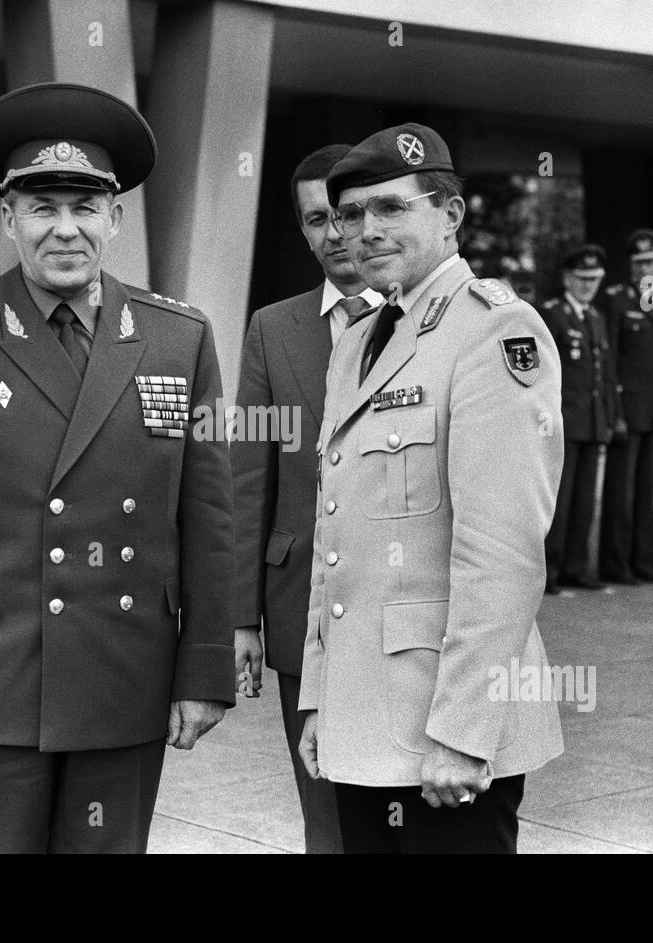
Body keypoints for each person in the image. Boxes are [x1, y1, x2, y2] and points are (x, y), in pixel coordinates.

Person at [0, 82, 235, 853]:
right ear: (9, 218)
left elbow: (208, 516)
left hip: (126, 677)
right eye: (42, 207)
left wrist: (204, 671)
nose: (64, 229)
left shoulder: (180, 339)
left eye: (83, 205)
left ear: (116, 217)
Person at [296, 123, 564, 853]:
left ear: (450, 216)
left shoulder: (496, 331)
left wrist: (462, 733)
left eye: (391, 208)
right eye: (350, 214)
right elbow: (335, 536)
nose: (366, 230)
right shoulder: (358, 338)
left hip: (446, 734)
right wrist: (320, 699)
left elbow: (503, 554)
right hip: (367, 722)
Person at [230, 144, 382, 854]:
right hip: (300, 602)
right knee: (323, 814)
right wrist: (242, 619)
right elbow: (246, 480)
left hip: (397, 599)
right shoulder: (271, 327)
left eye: (347, 215)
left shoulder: (429, 319)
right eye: (316, 219)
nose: (334, 234)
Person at [599, 229, 653, 584]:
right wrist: (614, 413)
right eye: (640, 263)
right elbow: (609, 363)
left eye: (652, 261)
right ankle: (616, 565)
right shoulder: (617, 300)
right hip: (627, 412)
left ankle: (644, 561)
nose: (646, 268)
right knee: (621, 491)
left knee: (647, 490)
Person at [540, 244, 625, 593]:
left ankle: (576, 567)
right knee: (559, 502)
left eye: (594, 279)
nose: (588, 285)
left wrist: (610, 416)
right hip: (564, 424)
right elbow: (544, 373)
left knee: (585, 501)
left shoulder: (595, 317)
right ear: (567, 279)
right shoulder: (553, 315)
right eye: (582, 278)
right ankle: (551, 570)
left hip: (591, 422)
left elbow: (606, 373)